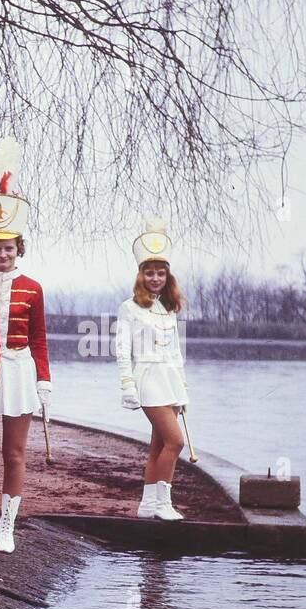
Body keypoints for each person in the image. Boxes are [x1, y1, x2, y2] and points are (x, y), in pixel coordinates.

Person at [0, 137, 52, 553]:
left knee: (14, 454)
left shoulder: (33, 288)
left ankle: (7, 527)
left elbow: (38, 338)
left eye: (9, 248)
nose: (2, 254)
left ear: (19, 248)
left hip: (20, 371)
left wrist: (44, 381)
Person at [117, 219, 189, 519]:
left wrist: (183, 390)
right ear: (141, 275)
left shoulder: (169, 309)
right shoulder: (129, 308)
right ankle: (163, 503)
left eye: (160, 273)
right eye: (149, 272)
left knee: (159, 445)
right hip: (147, 380)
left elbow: (175, 353)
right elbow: (123, 351)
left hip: (170, 382)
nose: (155, 278)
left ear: (167, 276)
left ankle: (147, 504)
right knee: (176, 442)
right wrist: (127, 385)